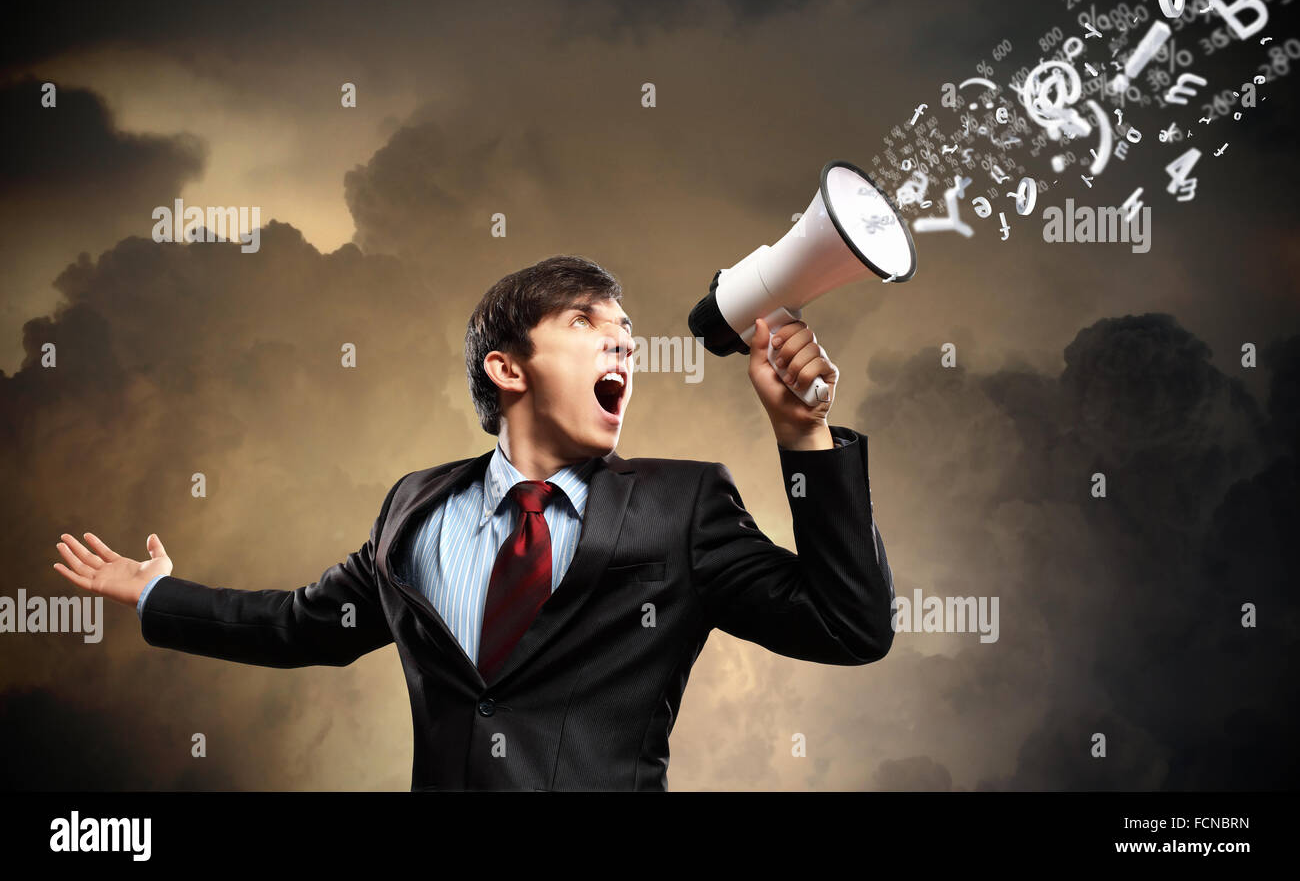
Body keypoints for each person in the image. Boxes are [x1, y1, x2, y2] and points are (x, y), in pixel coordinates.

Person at [52, 254, 895, 790]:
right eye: (587, 325)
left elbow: (848, 624)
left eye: (628, 335)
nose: (625, 347)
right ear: (507, 366)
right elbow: (299, 626)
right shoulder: (414, 511)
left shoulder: (683, 506)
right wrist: (159, 594)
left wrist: (802, 435)